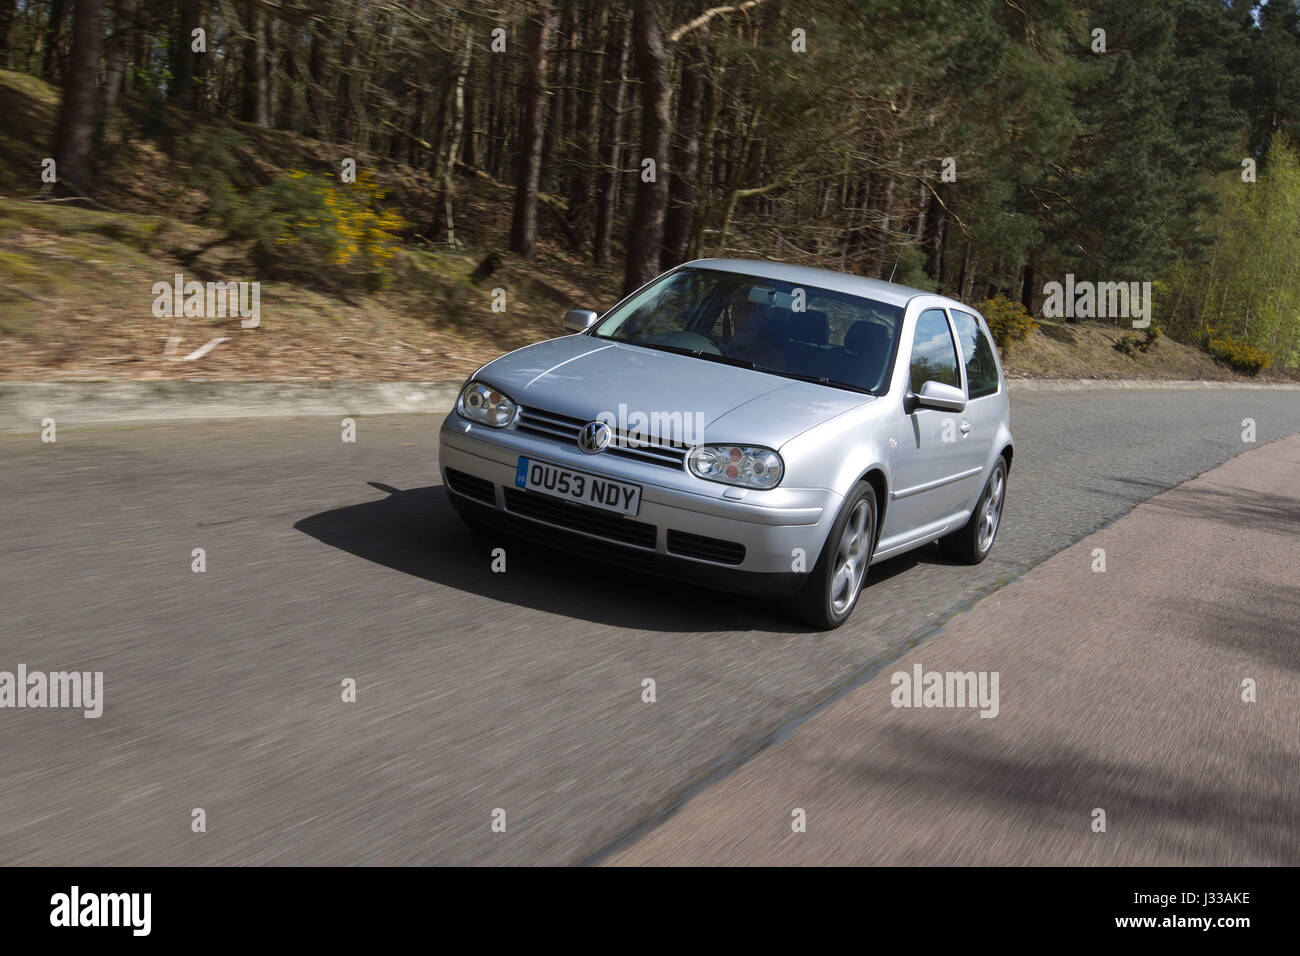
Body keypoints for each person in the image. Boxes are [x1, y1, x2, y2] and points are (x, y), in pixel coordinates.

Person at [723, 287, 786, 369]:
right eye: (737, 307)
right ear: (731, 314)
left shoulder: (773, 358)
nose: (741, 315)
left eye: (749, 309)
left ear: (762, 317)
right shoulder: (716, 346)